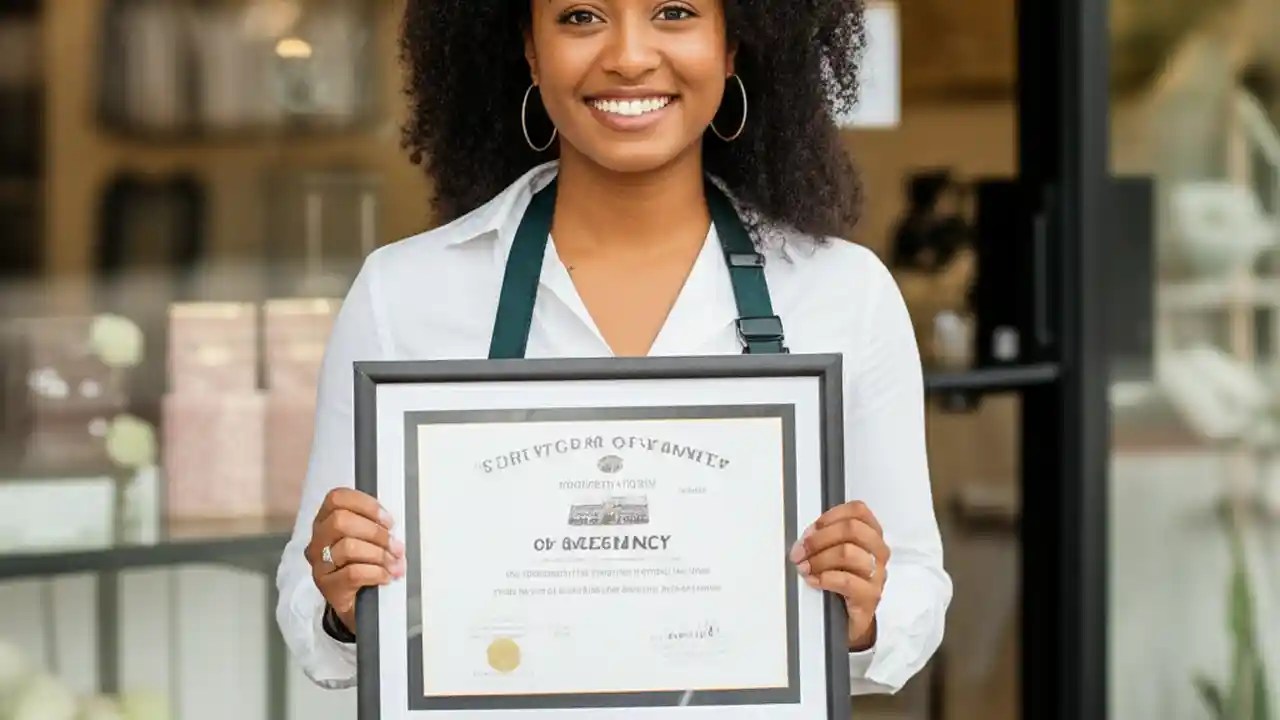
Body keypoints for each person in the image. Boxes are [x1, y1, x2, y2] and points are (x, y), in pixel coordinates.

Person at [275, 0, 952, 697]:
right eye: (580, 17)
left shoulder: (845, 293)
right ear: (530, 50)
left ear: (733, 46)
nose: (629, 56)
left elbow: (916, 597)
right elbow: (315, 623)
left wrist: (864, 610)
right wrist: (344, 596)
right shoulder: (403, 295)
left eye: (674, 12)